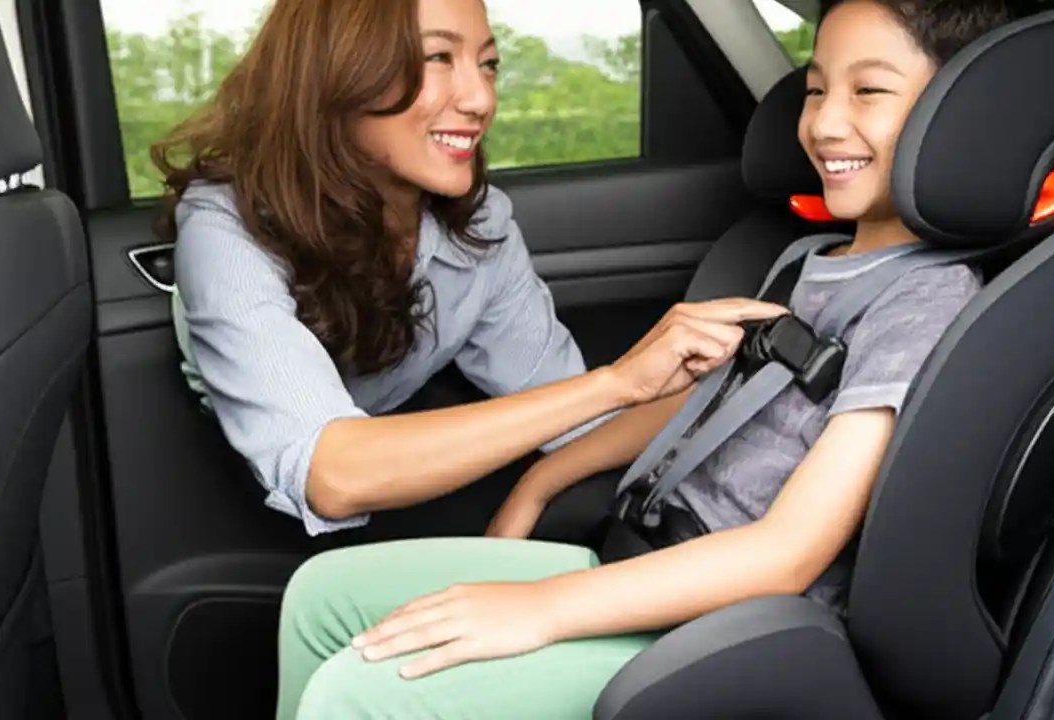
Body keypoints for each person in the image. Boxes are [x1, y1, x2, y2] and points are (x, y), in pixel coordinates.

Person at [275, 0, 1014, 717]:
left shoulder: (926, 302)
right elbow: (709, 398)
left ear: (954, 115)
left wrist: (540, 608)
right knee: (322, 599)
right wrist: (543, 478)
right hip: (645, 567)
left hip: (728, 631)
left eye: (869, 91)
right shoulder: (804, 261)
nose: (823, 121)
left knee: (363, 694)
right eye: (816, 87)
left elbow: (788, 554)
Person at [156, 0, 784, 538]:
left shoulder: (476, 222)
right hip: (253, 491)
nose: (481, 99)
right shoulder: (226, 227)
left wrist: (765, 403)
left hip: (397, 450)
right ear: (337, 74)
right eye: (439, 59)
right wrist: (618, 381)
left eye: (487, 64)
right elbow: (335, 474)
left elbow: (574, 419)